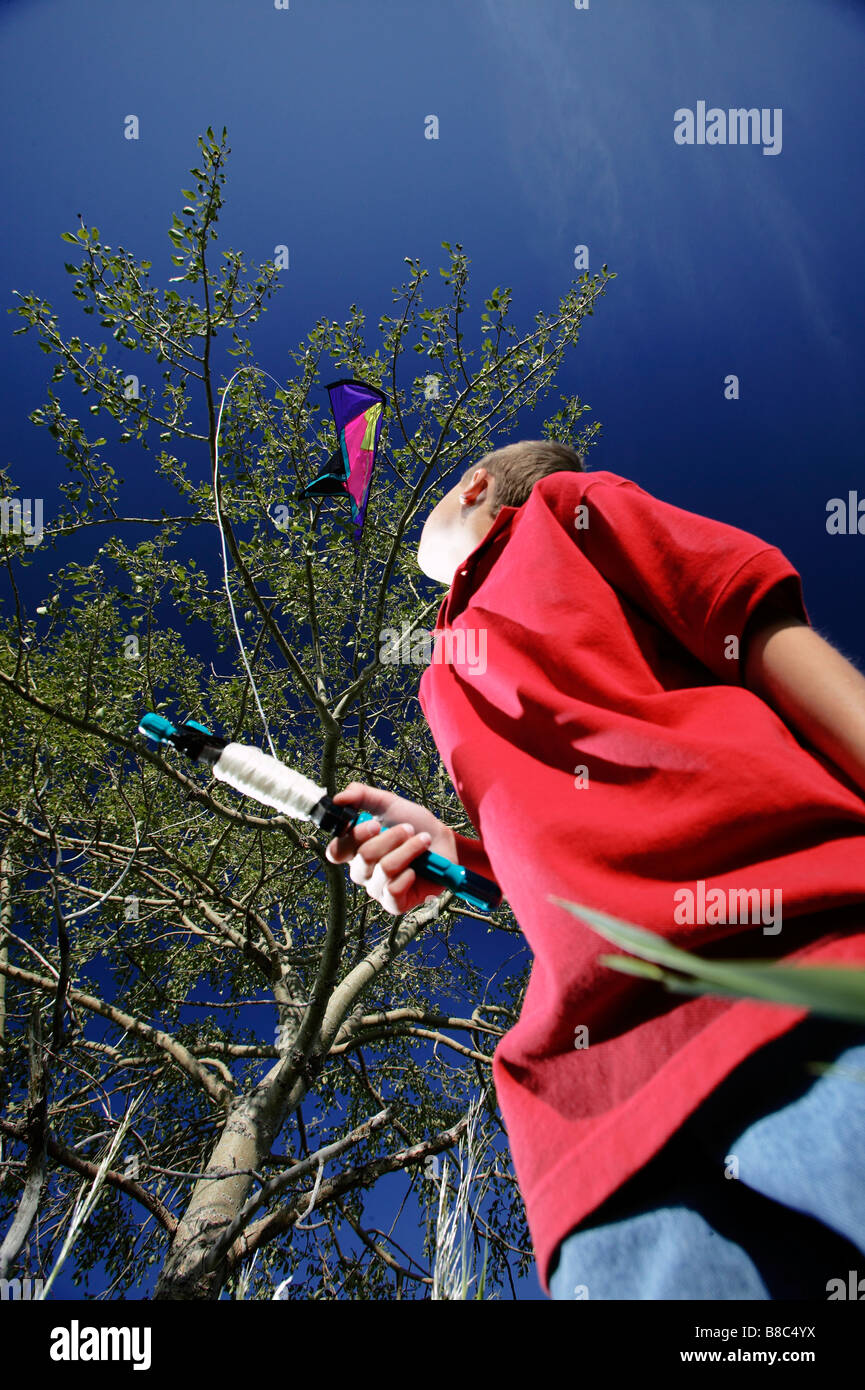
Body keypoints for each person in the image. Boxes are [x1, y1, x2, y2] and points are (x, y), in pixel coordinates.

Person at [325, 441, 865, 1299]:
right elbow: (557, 834)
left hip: (802, 962)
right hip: (596, 1121)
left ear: (476, 488)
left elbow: (750, 621)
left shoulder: (564, 510)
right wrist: (454, 853)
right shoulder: (442, 669)